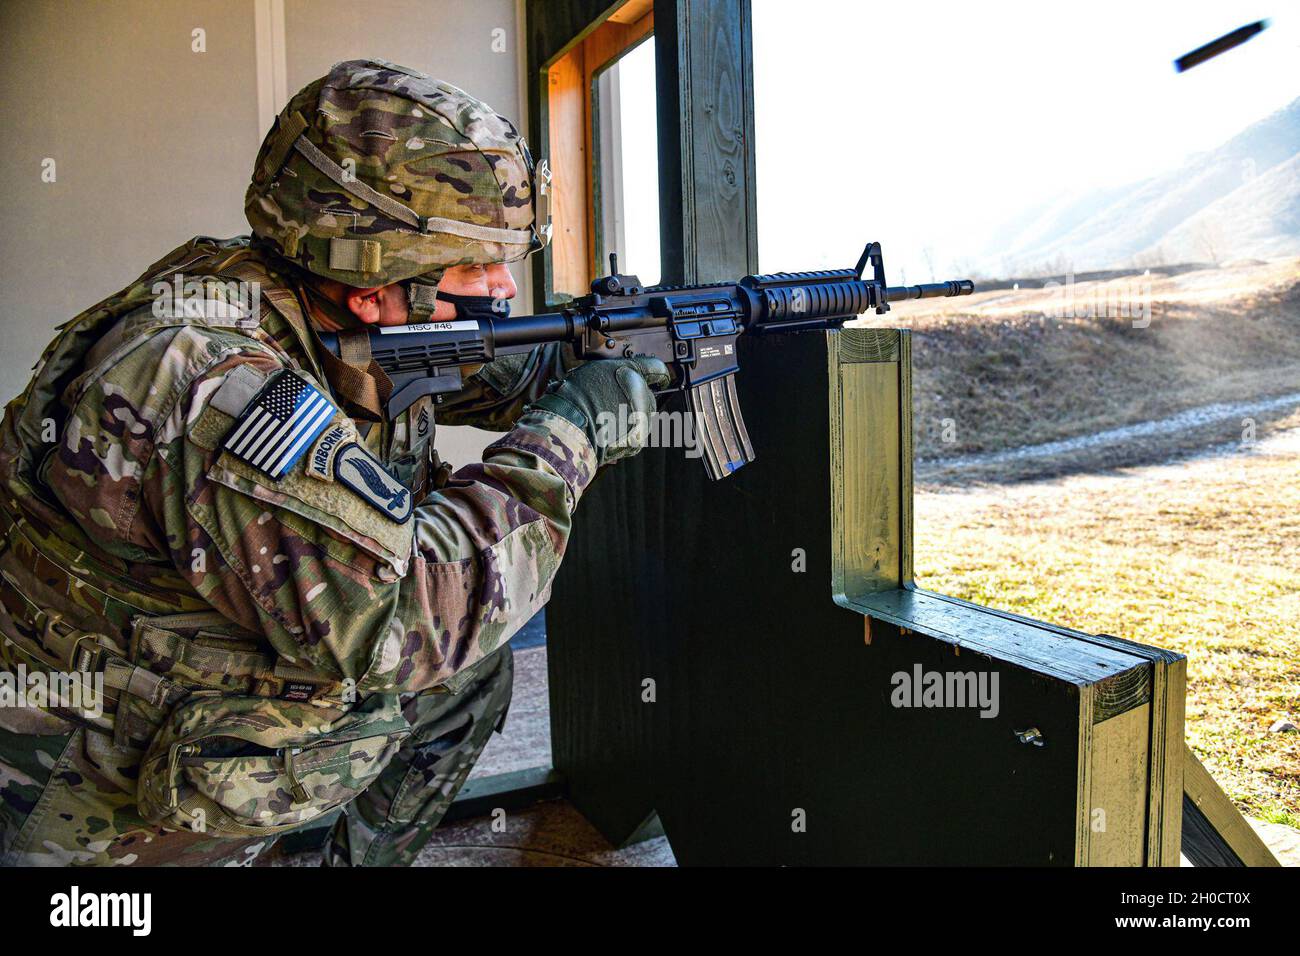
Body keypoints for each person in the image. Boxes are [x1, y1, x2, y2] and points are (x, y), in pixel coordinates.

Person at [0, 59, 666, 867]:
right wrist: (571, 437)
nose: (500, 288)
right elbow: (410, 621)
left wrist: (596, 348)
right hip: (83, 767)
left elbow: (483, 369)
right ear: (374, 290)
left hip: (197, 658)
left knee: (468, 683)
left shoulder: (299, 293)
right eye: (476, 270)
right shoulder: (217, 384)